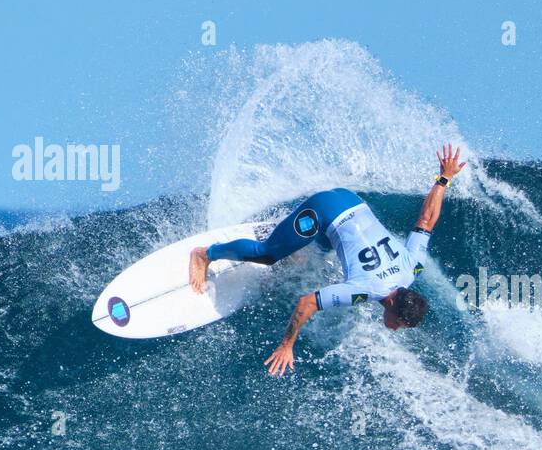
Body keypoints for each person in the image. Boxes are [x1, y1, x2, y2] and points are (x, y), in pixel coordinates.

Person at [189, 143, 466, 376]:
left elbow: (426, 221)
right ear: (392, 304)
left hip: (351, 200)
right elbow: (307, 302)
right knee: (267, 255)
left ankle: (293, 245)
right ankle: (206, 254)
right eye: (397, 323)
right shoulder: (367, 289)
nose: (394, 328)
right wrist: (287, 344)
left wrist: (444, 178)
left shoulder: (412, 267)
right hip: (324, 210)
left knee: (318, 253)